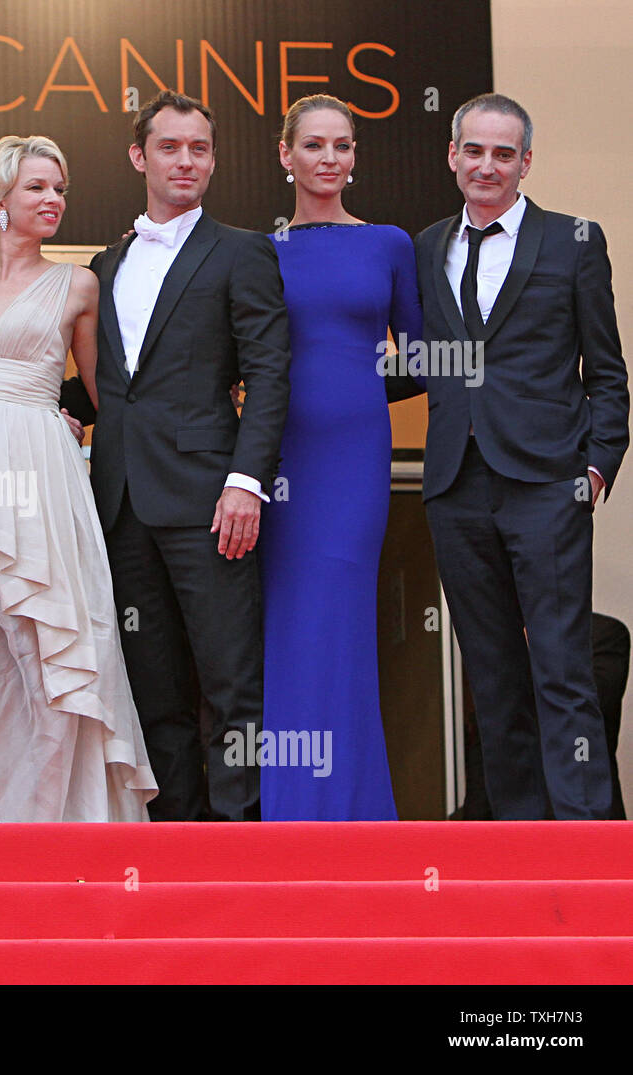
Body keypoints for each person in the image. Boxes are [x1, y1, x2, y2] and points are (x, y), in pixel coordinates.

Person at [63, 90, 292, 821]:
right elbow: (112, 384)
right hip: (122, 502)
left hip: (209, 501)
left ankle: (239, 851)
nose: (186, 160)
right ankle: (174, 849)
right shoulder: (108, 260)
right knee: (149, 685)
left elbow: (269, 372)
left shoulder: (242, 250)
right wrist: (52, 410)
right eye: (170, 147)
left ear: (213, 159)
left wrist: (246, 483)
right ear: (140, 157)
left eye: (199, 148)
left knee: (232, 683)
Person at [0, 136, 157, 822]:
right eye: (37, 188)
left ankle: (55, 820)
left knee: (46, 641)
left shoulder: (79, 283)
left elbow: (103, 391)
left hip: (40, 473)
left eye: (60, 189)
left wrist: (60, 418)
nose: (53, 200)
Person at [417, 93, 628, 820]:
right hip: (454, 485)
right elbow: (419, 359)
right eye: (473, 150)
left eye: (503, 153)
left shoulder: (573, 241)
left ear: (525, 162)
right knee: (492, 673)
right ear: (453, 156)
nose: (487, 165)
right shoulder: (425, 247)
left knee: (564, 669)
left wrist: (596, 467)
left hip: (548, 485)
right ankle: (517, 846)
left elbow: (606, 371)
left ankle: (586, 849)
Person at [258, 94, 422, 819]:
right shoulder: (261, 250)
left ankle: (353, 811)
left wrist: (356, 388)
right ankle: (289, 806)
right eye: (315, 145)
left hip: (354, 457)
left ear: (354, 158)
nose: (329, 158)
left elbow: (420, 357)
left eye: (343, 146)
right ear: (285, 154)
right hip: (278, 454)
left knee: (341, 619)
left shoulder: (390, 244)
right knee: (288, 624)